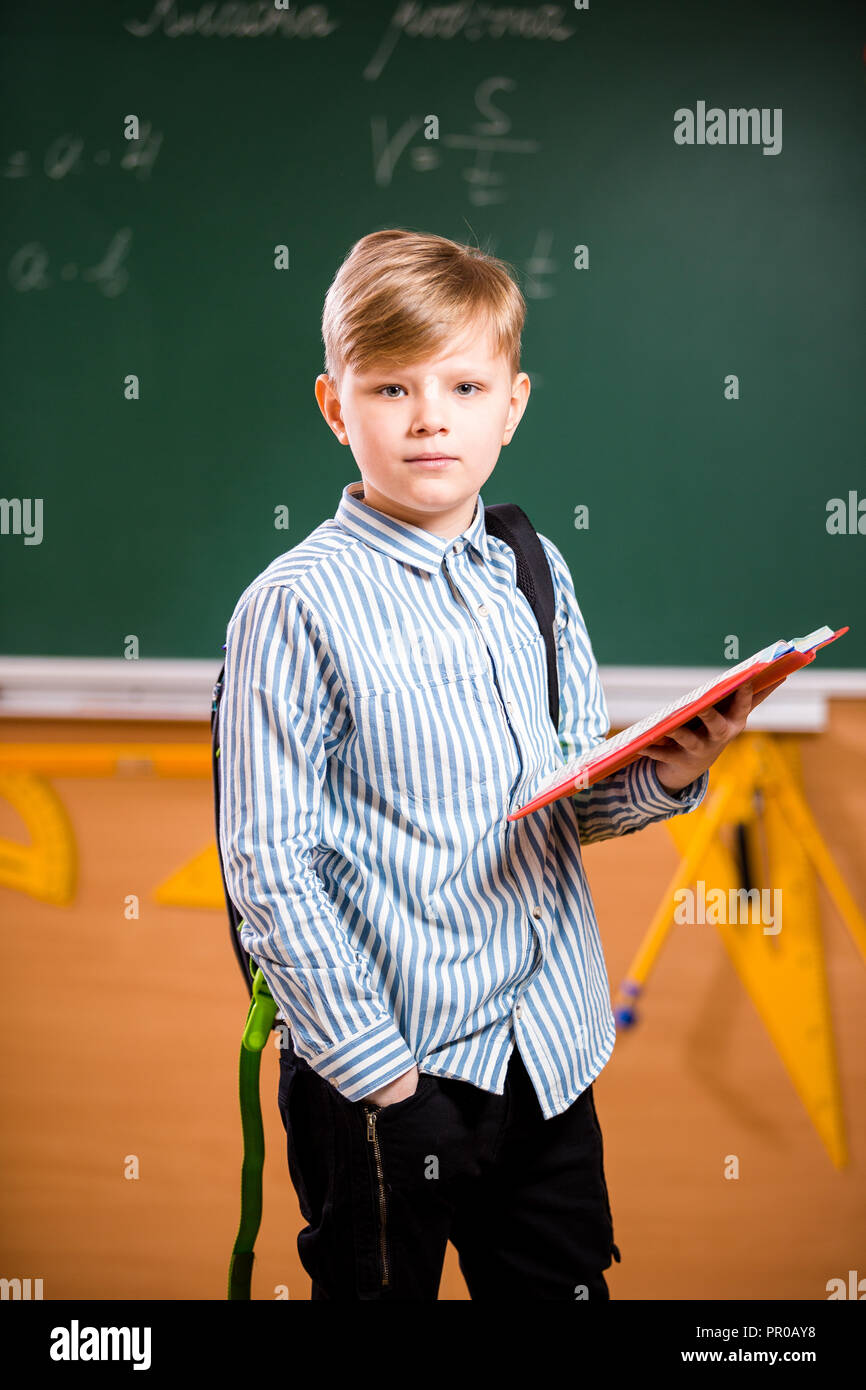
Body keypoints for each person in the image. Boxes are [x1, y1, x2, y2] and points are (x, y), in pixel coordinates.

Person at [217, 227, 778, 1300]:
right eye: (390, 388)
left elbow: (565, 802)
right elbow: (268, 874)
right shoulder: (293, 606)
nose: (430, 415)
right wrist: (383, 1082)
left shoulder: (531, 565)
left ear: (510, 405)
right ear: (337, 407)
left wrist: (666, 773)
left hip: (548, 1057)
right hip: (387, 1075)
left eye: (463, 384)